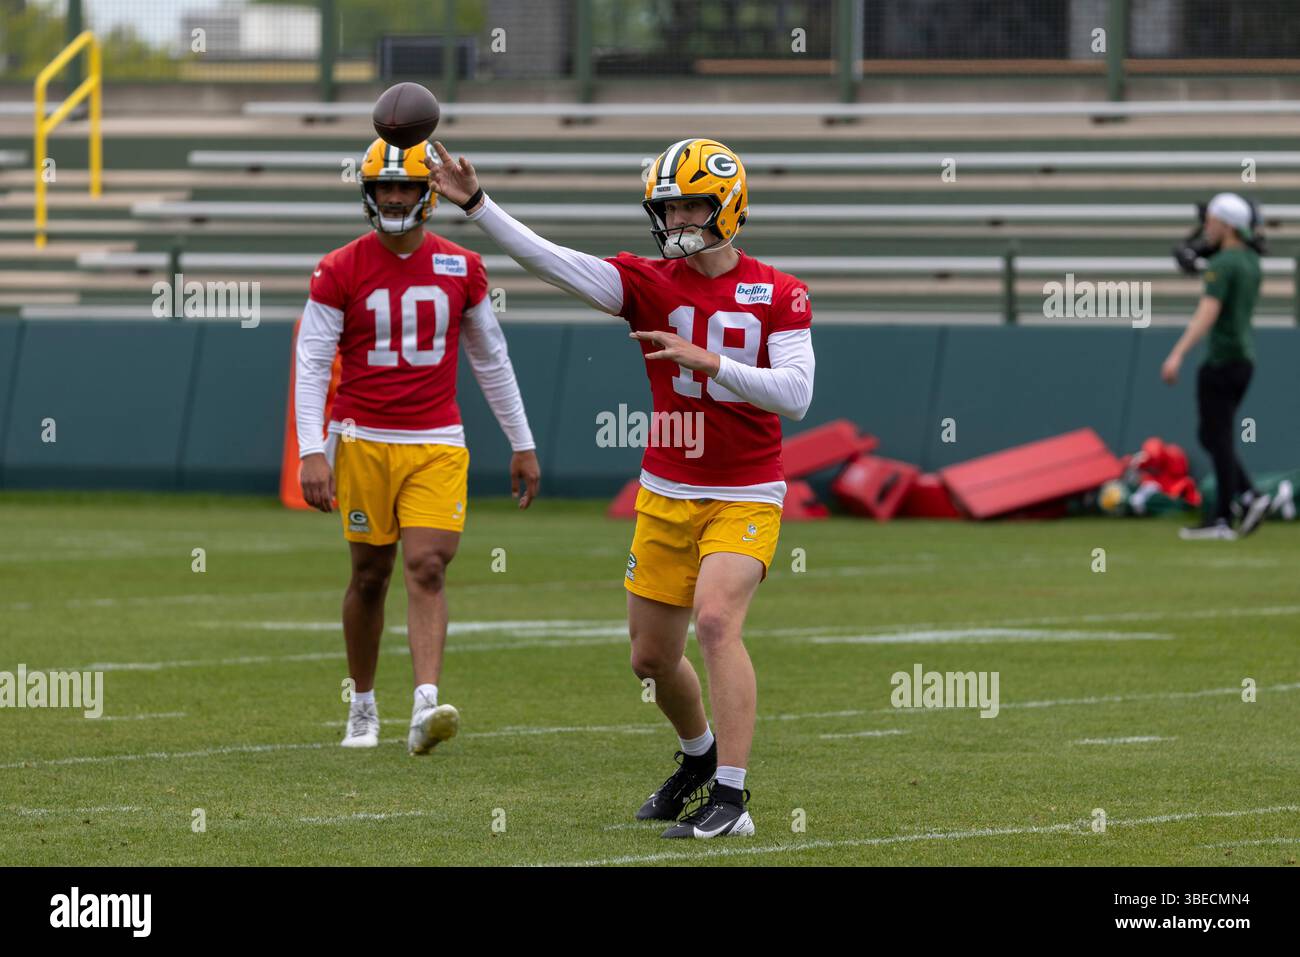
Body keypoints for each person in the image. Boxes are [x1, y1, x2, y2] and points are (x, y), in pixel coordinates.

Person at [427, 137, 815, 838]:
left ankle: (731, 797)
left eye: (690, 205)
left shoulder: (778, 291)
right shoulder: (648, 280)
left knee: (719, 622)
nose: (676, 221)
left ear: (728, 204)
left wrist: (712, 361)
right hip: (666, 490)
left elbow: (796, 395)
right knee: (650, 657)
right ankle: (698, 758)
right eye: (666, 208)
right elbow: (554, 262)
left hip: (746, 490)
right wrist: (479, 207)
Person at [296, 138, 541, 753]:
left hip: (436, 439)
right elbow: (312, 361)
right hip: (361, 438)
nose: (396, 196)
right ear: (370, 194)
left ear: (428, 195)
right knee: (370, 574)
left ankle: (425, 706)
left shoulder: (463, 266)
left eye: (405, 187)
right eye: (385, 188)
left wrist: (522, 441)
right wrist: (310, 448)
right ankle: (363, 704)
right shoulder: (339, 268)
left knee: (428, 566)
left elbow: (492, 360)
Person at [1161, 192, 1269, 540]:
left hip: (1222, 360)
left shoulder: (1224, 264)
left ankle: (1225, 515)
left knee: (1216, 436)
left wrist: (1178, 352)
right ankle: (1245, 498)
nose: (1206, 228)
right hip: (1244, 359)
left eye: (1211, 222)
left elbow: (1207, 313)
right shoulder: (1250, 261)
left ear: (1226, 225)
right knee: (1214, 436)